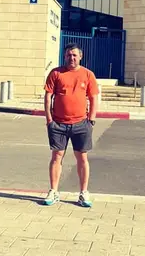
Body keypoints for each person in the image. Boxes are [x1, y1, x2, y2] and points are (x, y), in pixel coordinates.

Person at [44, 44, 99, 207]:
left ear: (80, 56)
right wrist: (49, 120)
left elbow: (93, 98)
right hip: (58, 124)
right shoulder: (56, 73)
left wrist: (91, 120)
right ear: (65, 56)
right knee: (56, 156)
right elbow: (48, 97)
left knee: (82, 157)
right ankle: (53, 191)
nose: (71, 58)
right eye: (68, 55)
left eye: (74, 55)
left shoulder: (88, 74)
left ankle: (83, 193)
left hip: (81, 123)